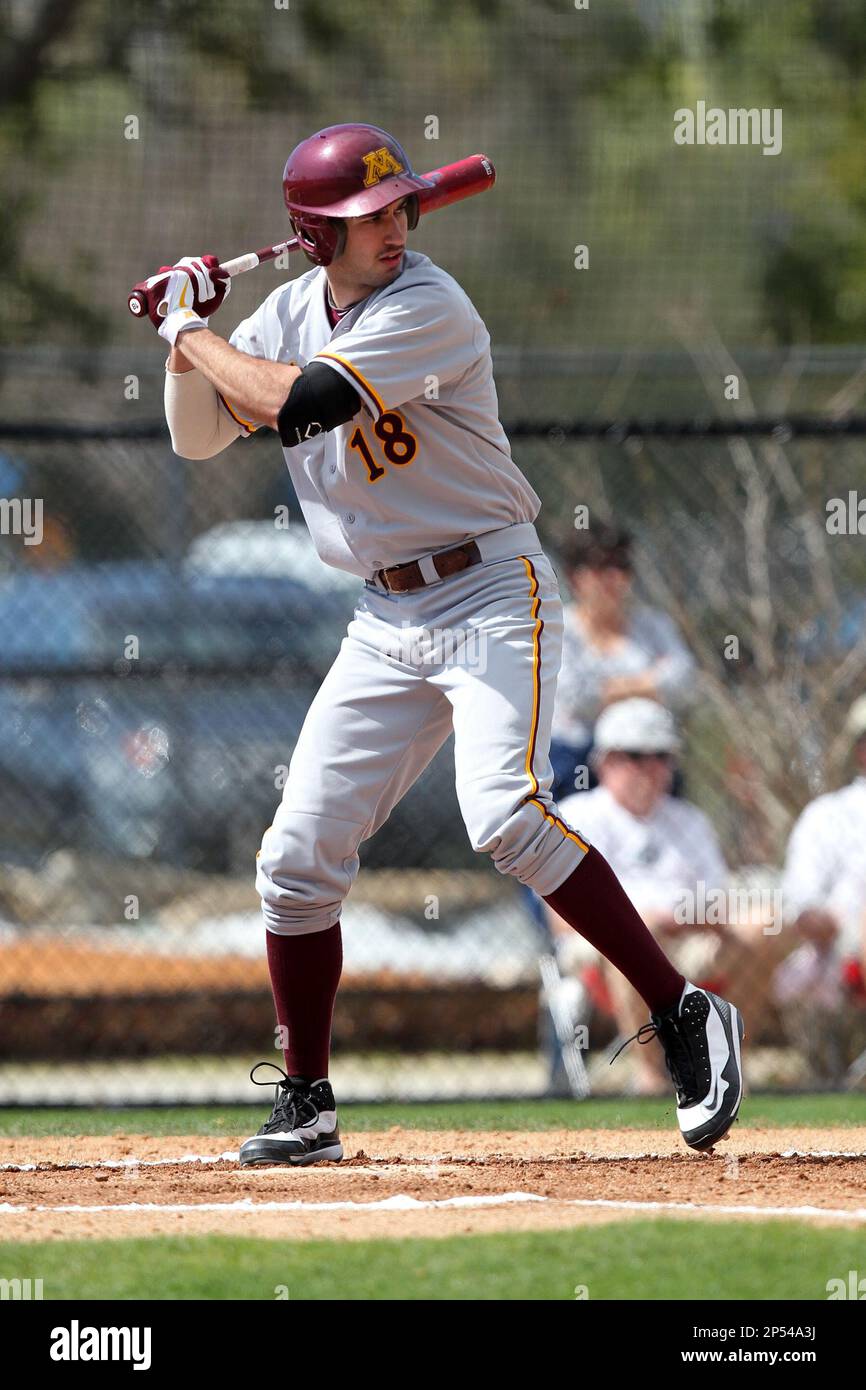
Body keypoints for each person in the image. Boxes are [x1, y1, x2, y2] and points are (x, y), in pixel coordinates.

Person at [140, 122, 744, 1162]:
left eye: (400, 205)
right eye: (367, 215)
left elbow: (298, 407)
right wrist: (185, 336)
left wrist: (191, 330)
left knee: (503, 816)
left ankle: (681, 1009)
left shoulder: (428, 302)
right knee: (292, 862)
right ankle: (307, 1099)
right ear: (311, 233)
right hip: (382, 615)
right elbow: (199, 435)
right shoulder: (285, 311)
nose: (398, 224)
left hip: (487, 589)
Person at [550, 699, 757, 1093]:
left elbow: (719, 904)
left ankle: (728, 1066)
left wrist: (673, 919)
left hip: (690, 942)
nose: (651, 768)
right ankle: (651, 1078)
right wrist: (649, 920)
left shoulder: (689, 819)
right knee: (630, 932)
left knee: (760, 927)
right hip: (600, 946)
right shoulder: (577, 815)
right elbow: (561, 917)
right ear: (605, 761)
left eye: (661, 756)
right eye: (636, 756)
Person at [550, 523, 696, 801]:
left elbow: (684, 682)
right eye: (602, 566)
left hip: (648, 756)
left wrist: (608, 688)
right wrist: (650, 684)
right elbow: (577, 696)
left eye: (622, 565)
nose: (615, 577)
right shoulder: (558, 631)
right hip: (576, 764)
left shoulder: (654, 625)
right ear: (574, 576)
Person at [775, 695, 866, 1081]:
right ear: (862, 751)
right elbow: (802, 907)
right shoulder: (831, 814)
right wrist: (846, 926)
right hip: (840, 945)